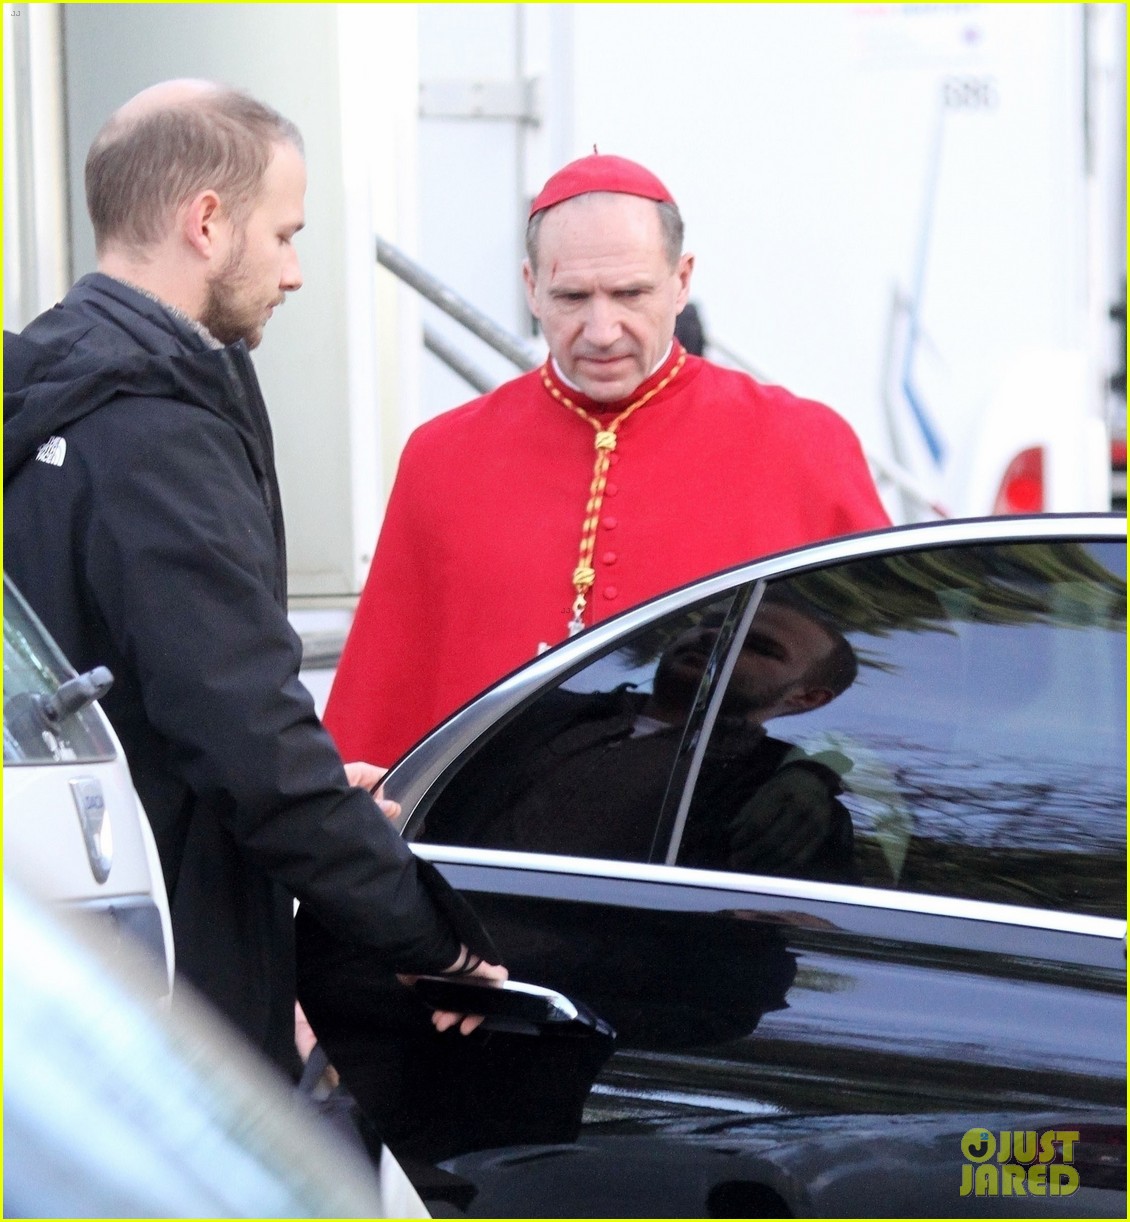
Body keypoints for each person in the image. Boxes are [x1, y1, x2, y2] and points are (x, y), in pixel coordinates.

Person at [3, 80, 504, 1076]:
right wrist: (427, 935)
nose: (295, 271)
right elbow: (245, 739)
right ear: (206, 223)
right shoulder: (156, 433)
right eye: (284, 234)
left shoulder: (48, 397)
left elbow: (134, 694)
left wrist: (308, 782)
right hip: (169, 1001)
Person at [325, 152, 891, 766]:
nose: (601, 331)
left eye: (630, 293)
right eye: (572, 296)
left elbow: (884, 683)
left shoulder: (803, 444)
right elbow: (381, 700)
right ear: (531, 288)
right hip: (490, 812)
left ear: (681, 281)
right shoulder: (443, 455)